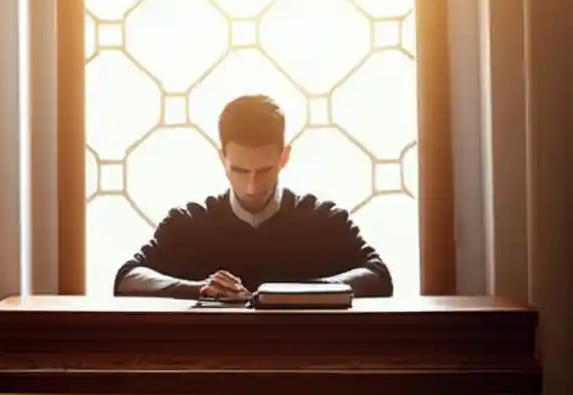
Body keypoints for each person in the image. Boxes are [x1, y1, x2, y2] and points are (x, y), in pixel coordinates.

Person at [113, 93, 393, 300]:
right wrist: (200, 289)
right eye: (239, 170)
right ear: (222, 158)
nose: (251, 186)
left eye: (264, 170)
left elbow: (378, 276)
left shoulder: (323, 221)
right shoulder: (187, 224)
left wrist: (290, 294)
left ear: (284, 157)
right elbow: (127, 278)